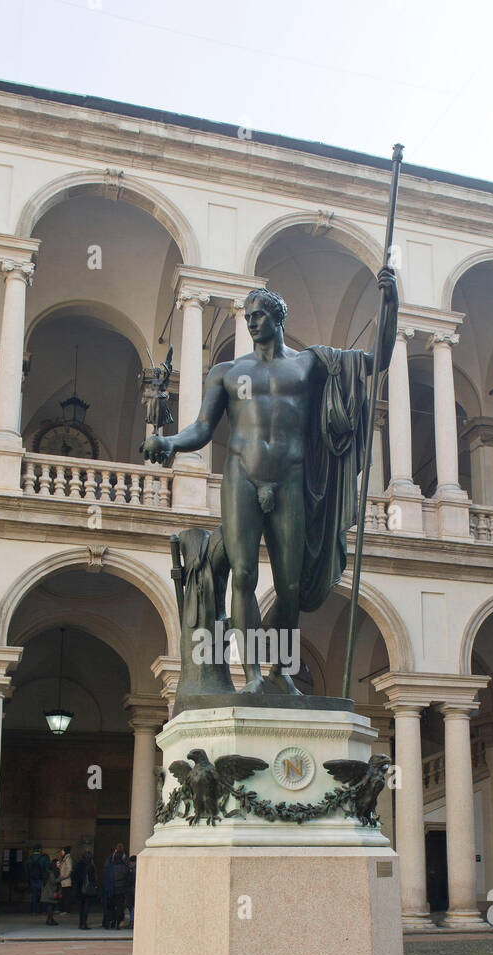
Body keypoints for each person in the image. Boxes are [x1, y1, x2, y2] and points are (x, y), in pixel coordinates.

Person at [141, 266, 398, 692]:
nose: (251, 320)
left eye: (258, 314)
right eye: (248, 316)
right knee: (243, 575)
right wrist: (170, 443)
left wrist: (388, 307)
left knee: (289, 585)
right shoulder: (226, 372)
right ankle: (255, 677)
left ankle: (281, 673)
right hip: (241, 477)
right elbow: (202, 429)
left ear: (278, 319)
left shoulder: (307, 366)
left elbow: (376, 361)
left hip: (290, 481)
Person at [104, 844, 129, 929]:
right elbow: (127, 877)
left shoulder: (110, 866)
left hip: (112, 889)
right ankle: (117, 923)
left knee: (111, 907)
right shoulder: (124, 867)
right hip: (121, 889)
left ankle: (111, 922)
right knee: (119, 907)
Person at [73, 850, 98, 930]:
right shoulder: (90, 866)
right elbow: (93, 879)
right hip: (87, 889)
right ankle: (84, 923)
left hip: (79, 888)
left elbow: (73, 876)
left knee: (81, 907)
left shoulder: (78, 865)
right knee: (86, 907)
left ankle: (81, 923)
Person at [25, 844, 49, 916]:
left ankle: (33, 911)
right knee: (43, 896)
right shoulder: (44, 858)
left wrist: (28, 880)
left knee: (34, 896)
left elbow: (27, 871)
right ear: (40, 850)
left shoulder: (29, 859)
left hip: (32, 880)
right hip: (42, 880)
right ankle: (44, 911)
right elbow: (47, 869)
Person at [57, 846, 73, 914]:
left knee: (66, 896)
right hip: (63, 881)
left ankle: (66, 910)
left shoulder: (68, 859)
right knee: (63, 896)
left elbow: (69, 869)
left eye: (62, 851)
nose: (61, 852)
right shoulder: (65, 859)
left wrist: (63, 877)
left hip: (66, 881)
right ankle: (62, 909)